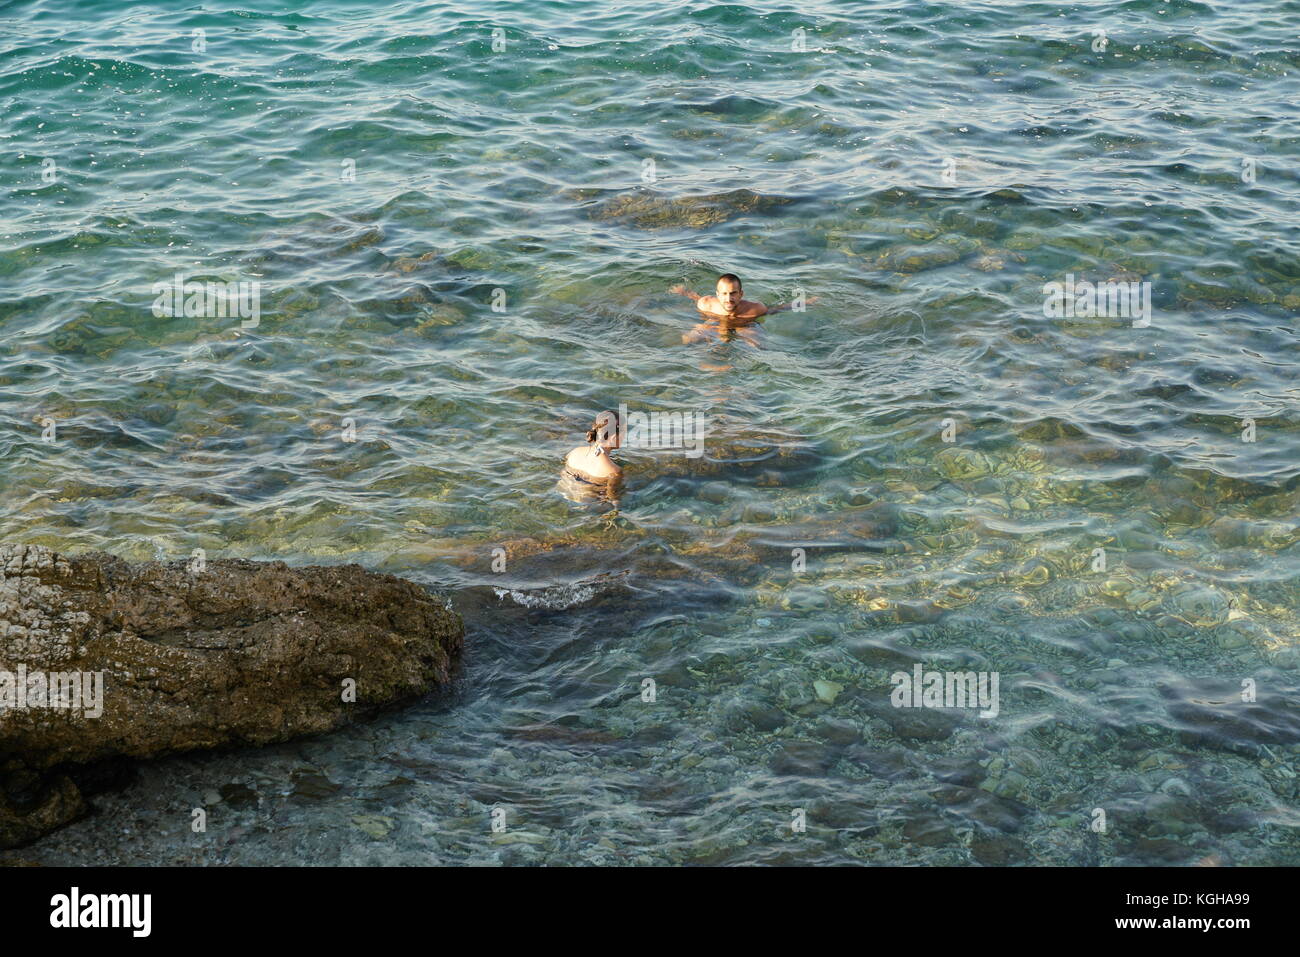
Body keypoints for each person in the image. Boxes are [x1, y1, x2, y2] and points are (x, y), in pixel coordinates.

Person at [670, 273, 816, 345]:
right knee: (687, 339)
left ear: (741, 294)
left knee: (757, 345)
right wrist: (685, 292)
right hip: (715, 324)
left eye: (733, 293)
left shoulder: (754, 309)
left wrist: (804, 303)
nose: (728, 299)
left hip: (744, 326)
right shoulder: (706, 304)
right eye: (724, 294)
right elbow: (697, 298)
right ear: (717, 295)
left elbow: (775, 309)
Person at [563, 409, 623, 485]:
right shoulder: (614, 471)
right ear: (613, 437)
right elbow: (612, 496)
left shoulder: (573, 453)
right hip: (589, 496)